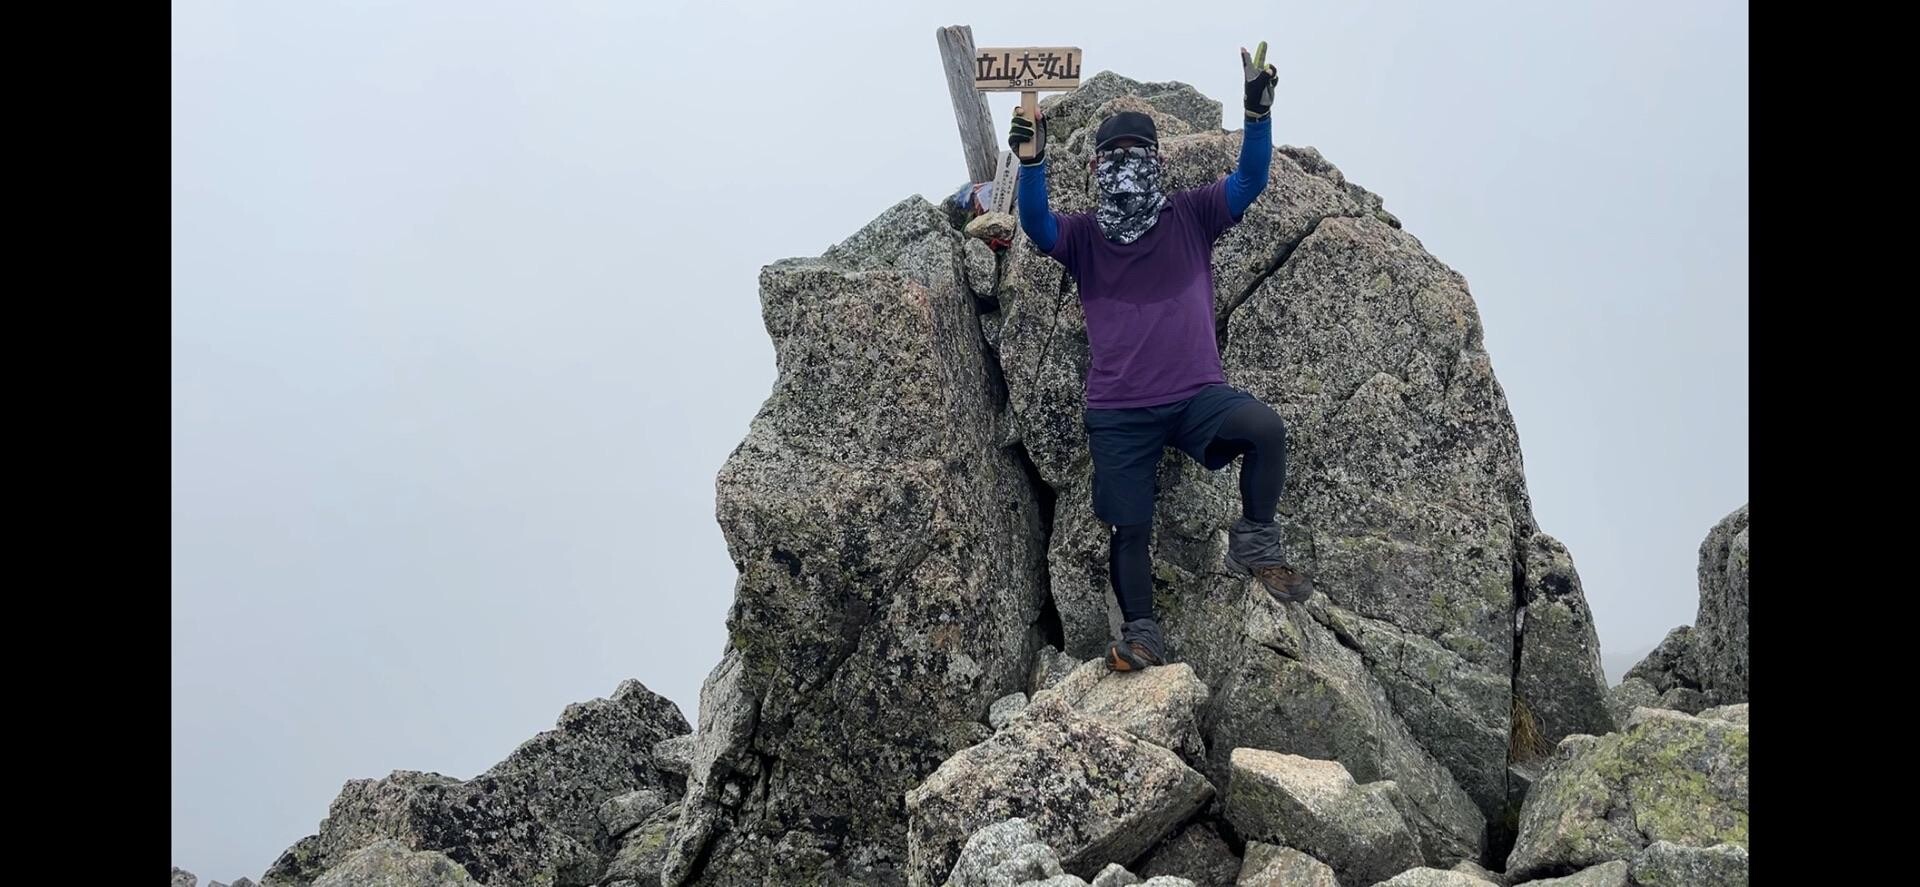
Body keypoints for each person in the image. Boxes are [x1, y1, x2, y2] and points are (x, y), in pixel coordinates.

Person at [1010, 46, 1315, 672]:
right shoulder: (1086, 238)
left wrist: (1257, 116)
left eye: (1136, 156)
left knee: (1265, 430)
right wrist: (1031, 160)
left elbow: (1251, 180)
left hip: (1197, 397)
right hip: (1120, 412)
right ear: (1096, 166)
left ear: (1157, 163)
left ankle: (1255, 543)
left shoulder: (1192, 215)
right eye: (1114, 158)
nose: (1126, 168)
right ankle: (1143, 635)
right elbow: (1036, 225)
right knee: (1128, 528)